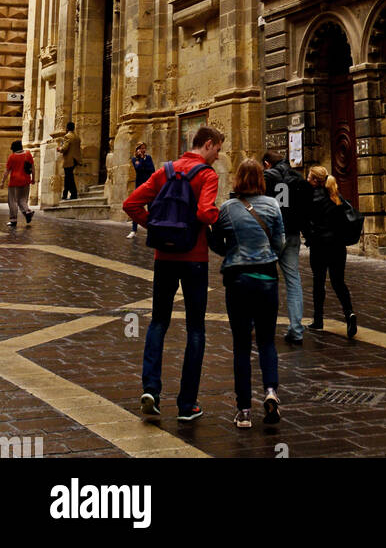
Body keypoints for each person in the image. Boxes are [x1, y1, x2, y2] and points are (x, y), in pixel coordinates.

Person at [123, 124, 224, 423]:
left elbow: (131, 204)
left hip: (164, 257)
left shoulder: (164, 170)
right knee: (195, 329)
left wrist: (153, 226)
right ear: (207, 144)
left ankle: (151, 389)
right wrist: (220, 216)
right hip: (194, 258)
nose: (218, 156)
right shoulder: (207, 175)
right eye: (217, 149)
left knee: (158, 322)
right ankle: (187, 404)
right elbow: (206, 213)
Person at [210, 157, 285, 429]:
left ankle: (243, 411)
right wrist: (266, 255)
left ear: (237, 179)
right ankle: (271, 392)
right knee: (267, 341)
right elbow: (280, 241)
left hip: (239, 280)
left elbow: (216, 242)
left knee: (241, 346)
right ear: (261, 179)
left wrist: (231, 253)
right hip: (267, 278)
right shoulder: (274, 205)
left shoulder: (227, 208)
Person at [263, 148, 313, 346]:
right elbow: (306, 207)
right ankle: (296, 329)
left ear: (267, 163)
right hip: (291, 234)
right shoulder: (297, 178)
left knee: (265, 277)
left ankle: (259, 324)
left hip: (271, 234)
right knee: (293, 280)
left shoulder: (266, 177)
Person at [305, 164, 357, 339]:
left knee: (318, 282)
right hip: (337, 247)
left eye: (309, 177)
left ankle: (318, 320)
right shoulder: (337, 197)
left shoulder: (312, 199)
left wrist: (309, 236)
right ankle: (349, 313)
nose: (306, 180)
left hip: (319, 246)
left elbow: (307, 223)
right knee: (338, 282)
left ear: (315, 181)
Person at [3, 140, 35, 229]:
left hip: (14, 181)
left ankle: (13, 220)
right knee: (23, 199)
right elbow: (32, 168)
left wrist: (2, 181)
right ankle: (28, 212)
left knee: (12, 201)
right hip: (26, 180)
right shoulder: (28, 154)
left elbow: (7, 171)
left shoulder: (12, 157)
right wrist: (33, 178)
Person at [127, 143, 155, 238]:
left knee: (151, 208)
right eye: (141, 148)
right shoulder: (135, 159)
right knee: (137, 207)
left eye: (144, 148)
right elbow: (138, 169)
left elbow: (152, 169)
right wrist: (142, 160)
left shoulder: (149, 158)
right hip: (139, 186)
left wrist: (143, 163)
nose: (143, 150)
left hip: (149, 186)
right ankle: (134, 230)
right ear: (137, 150)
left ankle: (151, 230)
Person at [57, 121, 82, 200]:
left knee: (69, 178)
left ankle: (73, 194)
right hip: (75, 159)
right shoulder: (77, 137)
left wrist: (59, 149)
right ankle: (65, 194)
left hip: (69, 160)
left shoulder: (67, 136)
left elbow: (64, 148)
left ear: (67, 128)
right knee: (68, 177)